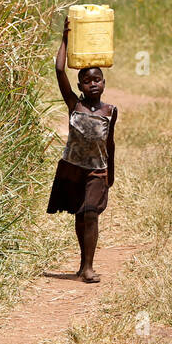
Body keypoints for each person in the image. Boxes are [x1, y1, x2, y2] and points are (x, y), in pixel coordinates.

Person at [46, 16, 117, 283]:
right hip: (73, 168)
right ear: (80, 87)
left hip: (98, 169)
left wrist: (111, 171)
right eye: (87, 81)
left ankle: (89, 267)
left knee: (90, 213)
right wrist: (65, 38)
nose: (93, 84)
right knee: (79, 215)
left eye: (97, 80)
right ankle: (81, 263)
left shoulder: (110, 111)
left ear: (104, 82)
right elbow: (59, 70)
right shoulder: (75, 105)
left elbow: (110, 143)